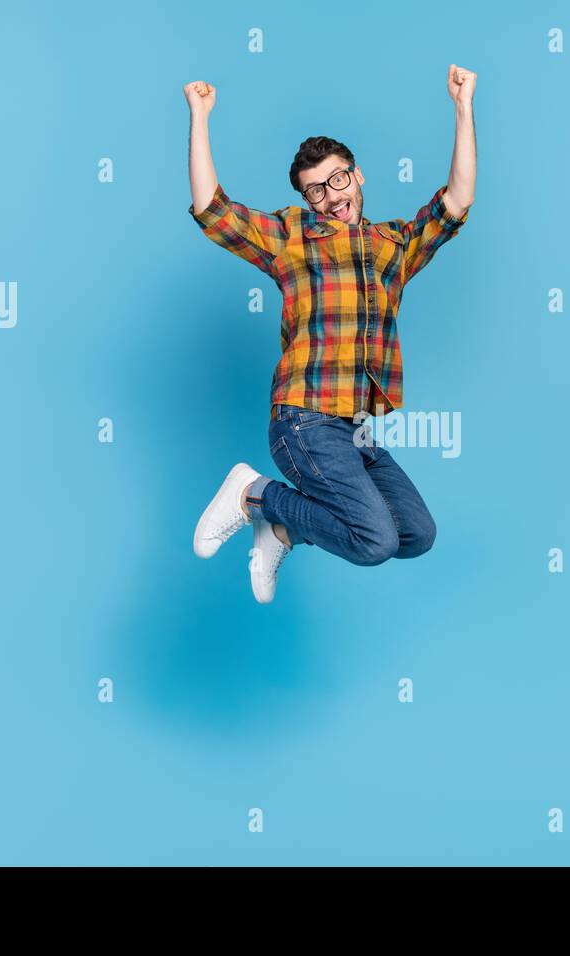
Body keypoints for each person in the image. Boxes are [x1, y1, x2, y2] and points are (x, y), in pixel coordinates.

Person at [184, 65, 477, 603]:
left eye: (337, 179)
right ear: (305, 197)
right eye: (314, 190)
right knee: (372, 540)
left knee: (415, 533)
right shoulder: (292, 236)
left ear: (357, 175)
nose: (330, 196)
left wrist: (463, 108)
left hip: (357, 428)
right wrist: (200, 118)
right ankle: (254, 494)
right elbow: (212, 209)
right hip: (305, 418)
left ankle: (284, 528)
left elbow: (455, 203)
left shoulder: (394, 247)